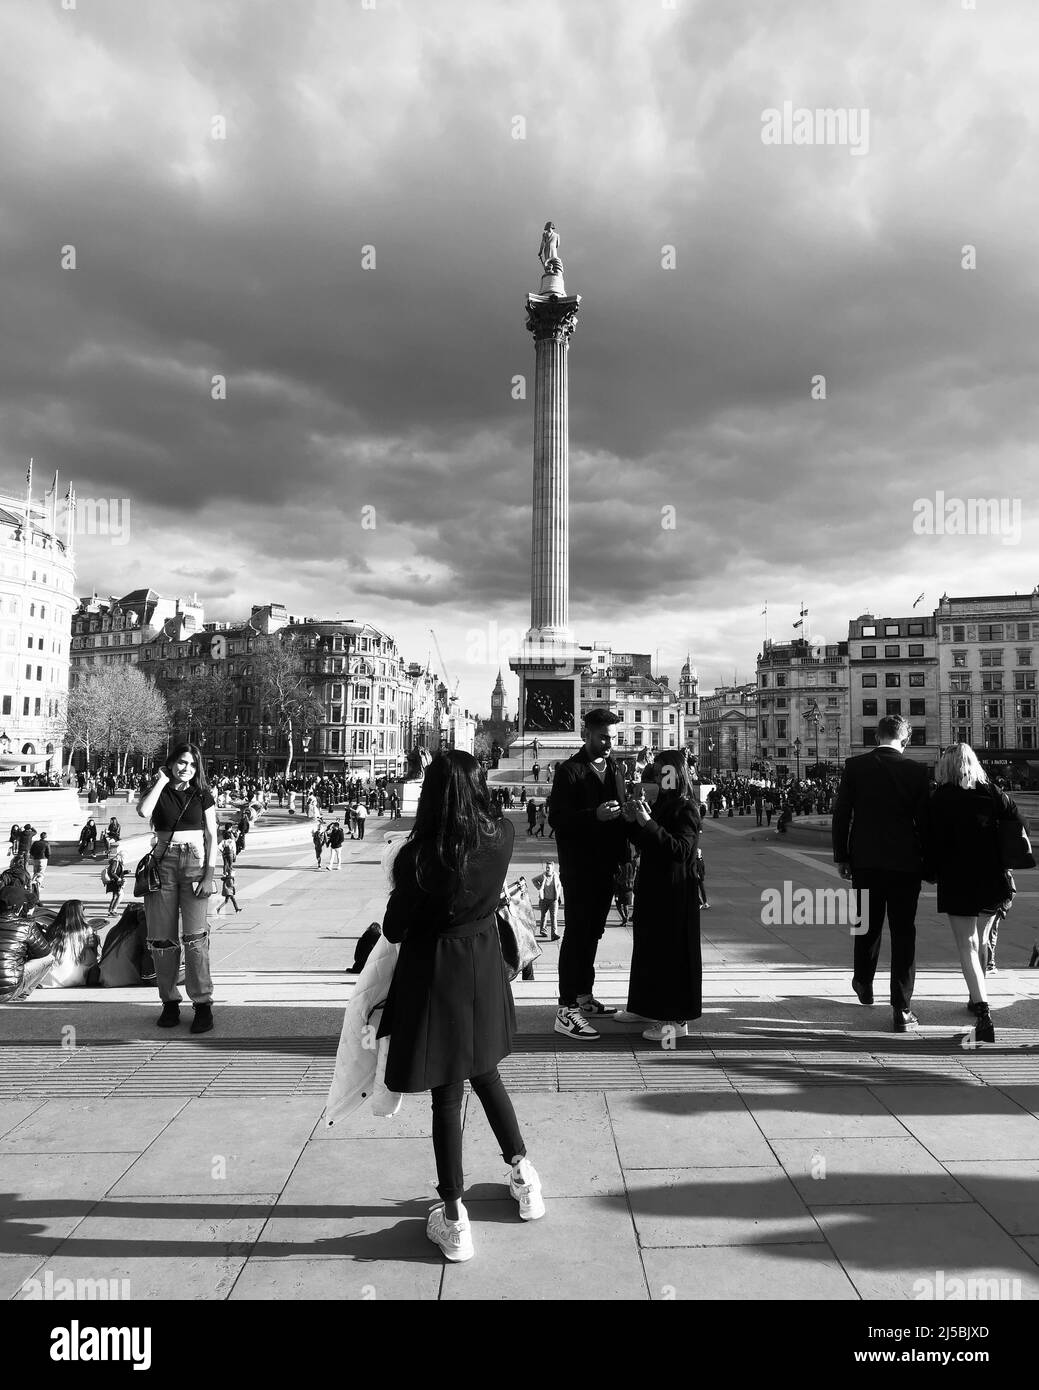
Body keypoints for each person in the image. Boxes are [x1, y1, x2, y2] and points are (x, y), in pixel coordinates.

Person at [377, 751, 544, 1262]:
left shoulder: (421, 856)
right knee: (487, 1073)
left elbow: (393, 929)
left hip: (436, 973)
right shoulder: (503, 836)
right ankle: (525, 1178)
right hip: (483, 965)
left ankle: (454, 1218)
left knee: (448, 1095)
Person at [832, 714, 932, 1032]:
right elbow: (926, 823)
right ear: (906, 739)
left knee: (868, 926)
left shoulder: (855, 766)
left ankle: (863, 982)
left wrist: (842, 856)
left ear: (877, 737)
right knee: (904, 934)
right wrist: (929, 863)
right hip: (905, 864)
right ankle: (901, 1009)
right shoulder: (916, 771)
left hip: (866, 861)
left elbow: (841, 814)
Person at [926, 744, 1022, 1045]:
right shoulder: (992, 792)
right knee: (981, 939)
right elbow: (1018, 825)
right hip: (992, 876)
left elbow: (930, 839)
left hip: (957, 877)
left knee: (966, 944)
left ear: (947, 766)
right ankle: (975, 995)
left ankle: (982, 1009)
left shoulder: (940, 797)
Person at [547, 709, 628, 1039]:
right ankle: (565, 1009)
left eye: (613, 737)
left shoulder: (616, 771)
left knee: (593, 932)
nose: (609, 743)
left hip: (607, 867)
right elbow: (557, 820)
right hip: (579, 867)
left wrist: (625, 862)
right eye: (604, 737)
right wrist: (593, 815)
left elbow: (621, 821)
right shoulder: (570, 771)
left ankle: (583, 995)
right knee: (576, 934)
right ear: (587, 736)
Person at [617, 751, 703, 1040]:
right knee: (647, 947)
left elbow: (680, 850)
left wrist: (648, 822)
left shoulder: (687, 808)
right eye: (654, 772)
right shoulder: (664, 804)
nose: (654, 777)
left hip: (675, 892)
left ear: (674, 774)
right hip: (654, 887)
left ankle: (676, 1021)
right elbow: (647, 842)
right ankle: (644, 1006)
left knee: (671, 953)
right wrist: (633, 820)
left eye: (660, 772)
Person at [136, 742, 219, 1035]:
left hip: (194, 865)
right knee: (162, 939)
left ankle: (202, 1003)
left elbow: (212, 836)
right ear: (171, 763)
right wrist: (160, 780)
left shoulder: (203, 795)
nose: (187, 769)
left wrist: (209, 875)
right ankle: (169, 1001)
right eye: (182, 762)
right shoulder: (159, 792)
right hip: (162, 864)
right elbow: (144, 812)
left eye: (193, 764)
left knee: (195, 938)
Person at [0, 879, 54, 1001]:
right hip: (8, 992)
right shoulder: (26, 926)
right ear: (18, 908)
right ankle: (22, 994)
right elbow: (44, 953)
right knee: (49, 959)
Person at [40, 901, 100, 989]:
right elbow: (94, 954)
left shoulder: (53, 928)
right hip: (77, 978)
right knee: (90, 952)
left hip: (50, 979)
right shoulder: (86, 929)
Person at [533, 861, 563, 940]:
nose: (547, 869)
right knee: (543, 915)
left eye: (549, 867)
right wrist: (539, 888)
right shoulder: (543, 876)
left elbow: (559, 884)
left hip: (554, 900)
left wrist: (558, 893)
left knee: (554, 917)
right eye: (546, 867)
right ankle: (543, 931)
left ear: (553, 868)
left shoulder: (556, 876)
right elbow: (534, 880)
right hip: (544, 900)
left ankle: (554, 934)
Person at [103, 845, 127, 916]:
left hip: (115, 881)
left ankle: (111, 911)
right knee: (119, 895)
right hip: (114, 881)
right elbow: (112, 872)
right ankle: (113, 910)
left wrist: (126, 872)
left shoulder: (118, 862)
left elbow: (118, 872)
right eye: (124, 856)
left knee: (116, 896)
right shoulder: (115, 861)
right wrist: (118, 878)